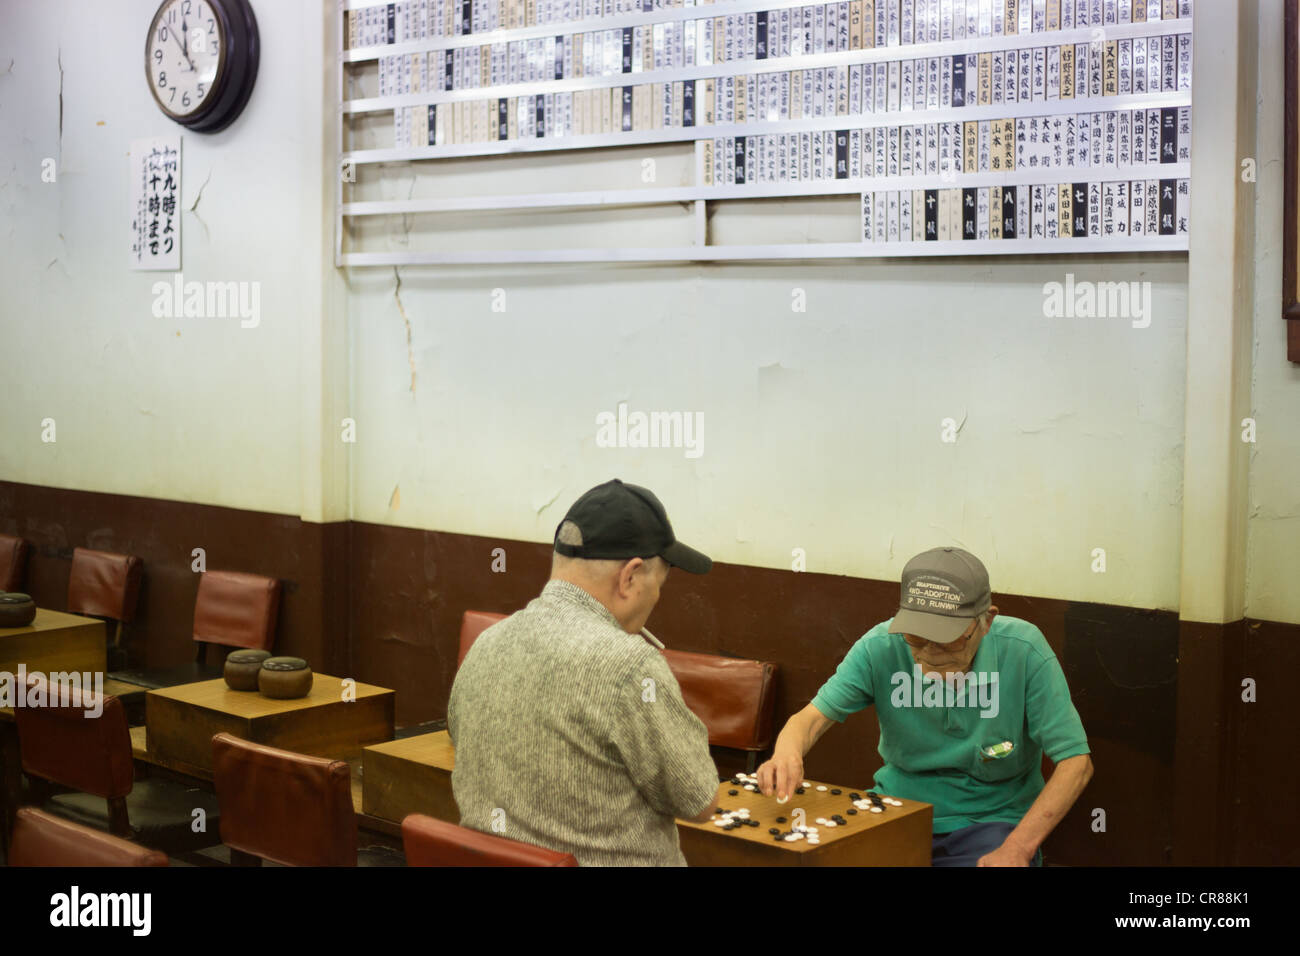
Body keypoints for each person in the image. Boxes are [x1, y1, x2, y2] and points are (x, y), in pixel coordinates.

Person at [757, 547, 1093, 866]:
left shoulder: (1023, 650)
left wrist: (1018, 848)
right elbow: (810, 720)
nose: (929, 654)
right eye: (916, 637)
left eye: (947, 639)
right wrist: (787, 752)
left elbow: (1076, 763)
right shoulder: (881, 646)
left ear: (986, 622)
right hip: (896, 809)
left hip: (991, 822)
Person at [448, 479, 720, 866]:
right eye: (661, 583)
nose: (657, 597)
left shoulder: (485, 644)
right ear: (630, 577)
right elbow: (700, 800)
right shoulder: (631, 667)